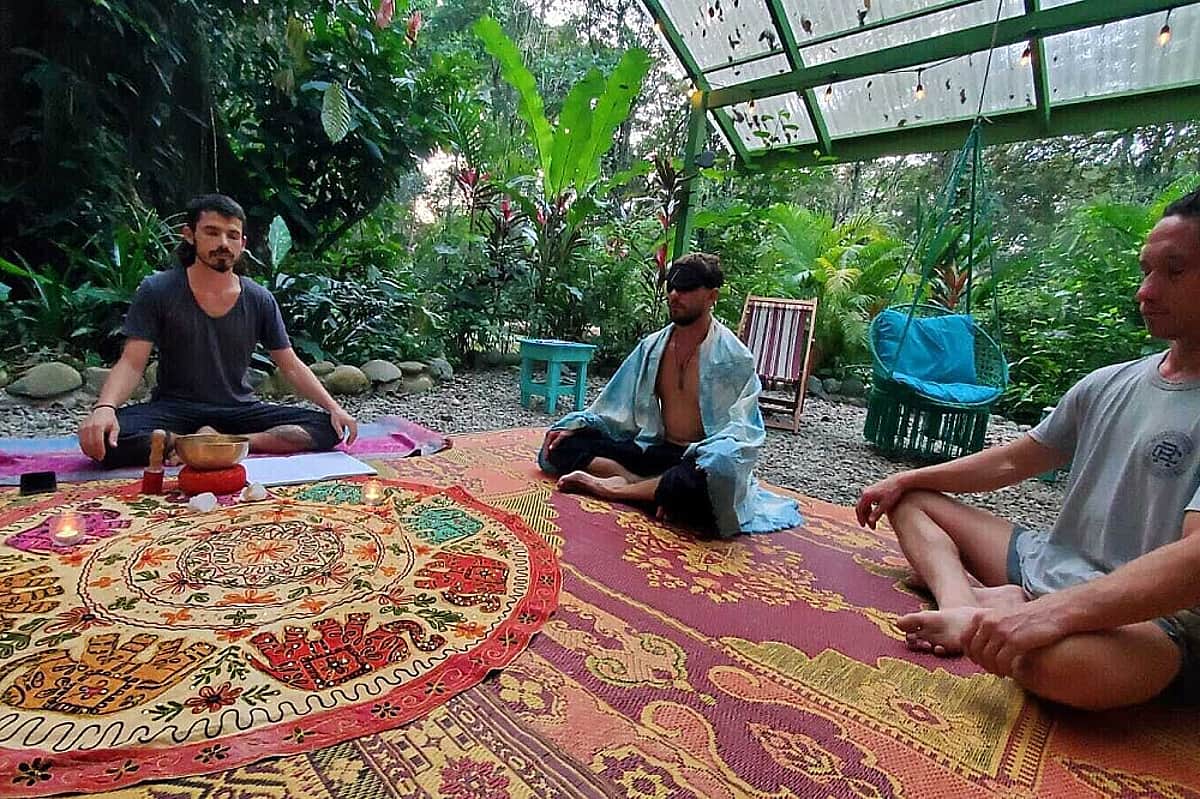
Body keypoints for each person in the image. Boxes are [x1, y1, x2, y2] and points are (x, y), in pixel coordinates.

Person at [855, 188, 1200, 710]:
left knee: (1054, 666)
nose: (1145, 292)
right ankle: (963, 609)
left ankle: (1010, 612)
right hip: (1054, 563)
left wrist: (1055, 615)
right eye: (1146, 271)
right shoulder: (1110, 382)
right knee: (912, 499)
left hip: (1155, 618)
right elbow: (1017, 458)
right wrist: (907, 478)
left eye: (1173, 271)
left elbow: (1194, 562)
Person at [78, 194, 358, 467]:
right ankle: (191, 441)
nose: (223, 243)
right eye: (212, 232)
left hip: (238, 410)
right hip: (175, 409)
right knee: (105, 437)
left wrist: (334, 408)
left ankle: (222, 442)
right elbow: (131, 362)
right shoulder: (158, 290)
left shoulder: (259, 298)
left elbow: (291, 365)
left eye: (232, 235)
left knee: (328, 428)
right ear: (189, 235)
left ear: (243, 243)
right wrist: (104, 409)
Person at [538, 252, 800, 538]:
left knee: (713, 476)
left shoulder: (734, 359)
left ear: (712, 296)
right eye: (671, 286)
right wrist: (575, 425)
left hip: (697, 458)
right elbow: (611, 408)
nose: (675, 294)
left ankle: (616, 489)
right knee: (561, 442)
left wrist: (711, 459)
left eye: (686, 287)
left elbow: (742, 433)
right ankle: (644, 486)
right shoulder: (652, 347)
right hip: (655, 449)